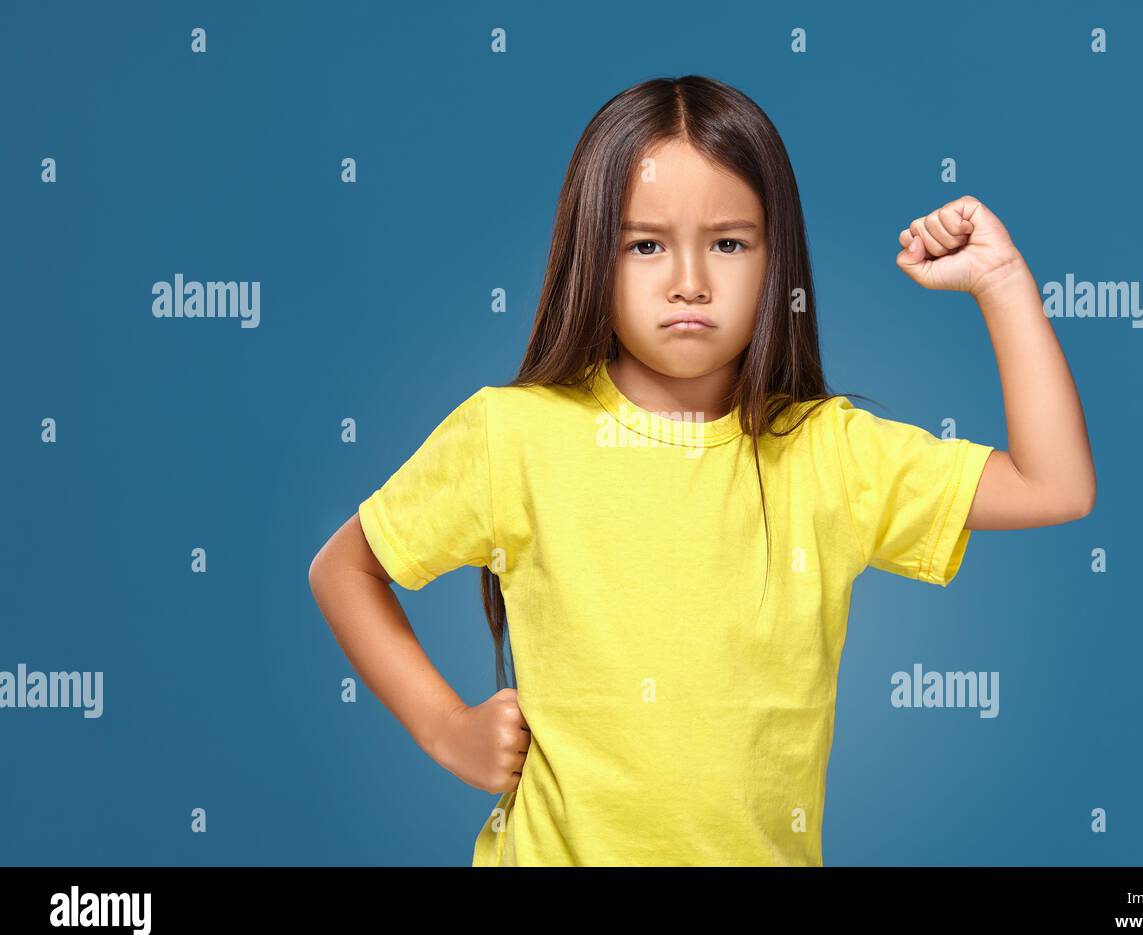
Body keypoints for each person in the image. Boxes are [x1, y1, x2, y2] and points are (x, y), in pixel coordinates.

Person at [307, 75, 1096, 866]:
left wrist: (1001, 285)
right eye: (646, 244)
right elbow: (344, 569)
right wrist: (447, 729)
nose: (690, 279)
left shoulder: (833, 453)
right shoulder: (512, 435)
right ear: (593, 252)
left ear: (774, 257)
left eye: (728, 242)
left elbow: (1054, 485)